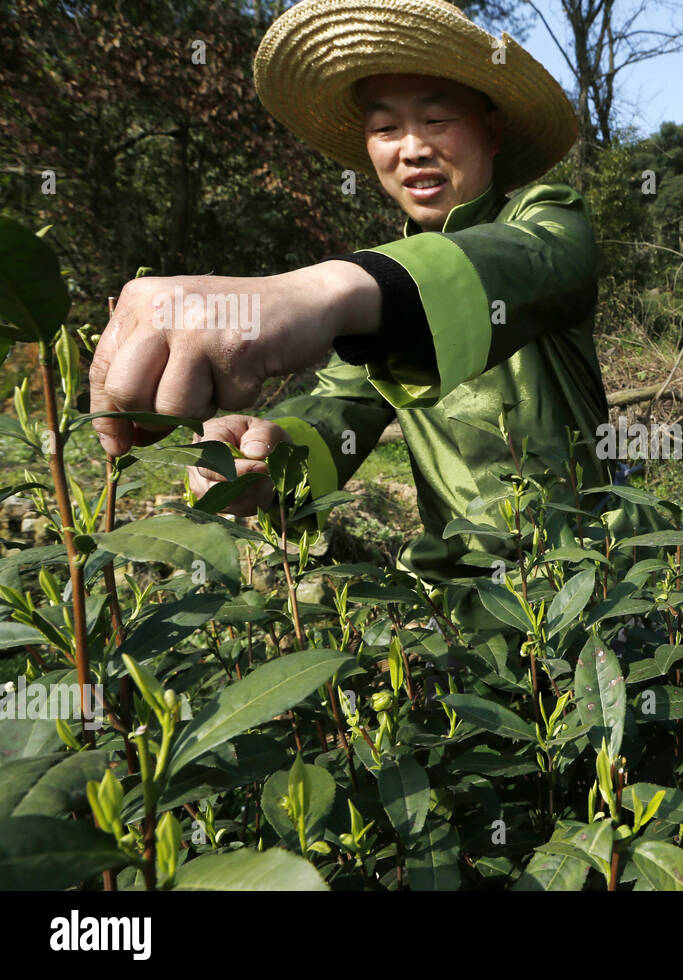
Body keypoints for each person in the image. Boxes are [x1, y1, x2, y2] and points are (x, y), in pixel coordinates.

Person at [87, 0, 623, 625]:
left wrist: (311, 292)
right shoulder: (375, 288)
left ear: (492, 131)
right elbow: (344, 400)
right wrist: (271, 452)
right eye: (386, 128)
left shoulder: (549, 216)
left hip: (598, 582)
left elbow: (521, 262)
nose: (413, 148)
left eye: (438, 118)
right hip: (464, 607)